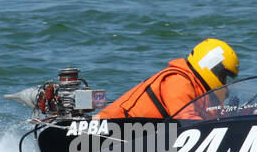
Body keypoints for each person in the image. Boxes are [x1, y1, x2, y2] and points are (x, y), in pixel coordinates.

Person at [95, 39, 239, 121]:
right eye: (223, 76)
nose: (225, 83)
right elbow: (186, 120)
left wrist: (253, 113)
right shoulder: (178, 81)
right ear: (211, 67)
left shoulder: (201, 90)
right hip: (112, 132)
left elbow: (215, 116)